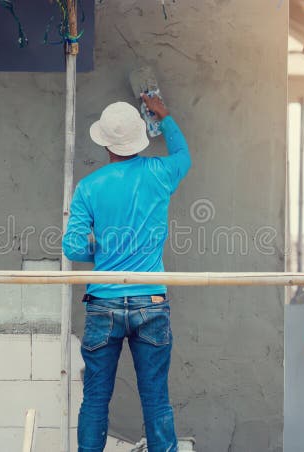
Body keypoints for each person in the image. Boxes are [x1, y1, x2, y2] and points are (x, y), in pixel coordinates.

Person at [62, 93, 191, 452]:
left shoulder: (89, 187)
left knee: (95, 400)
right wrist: (165, 116)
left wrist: (104, 252)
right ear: (139, 137)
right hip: (150, 301)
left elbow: (72, 248)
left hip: (103, 304)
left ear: (104, 143)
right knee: (156, 400)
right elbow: (184, 157)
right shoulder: (160, 174)